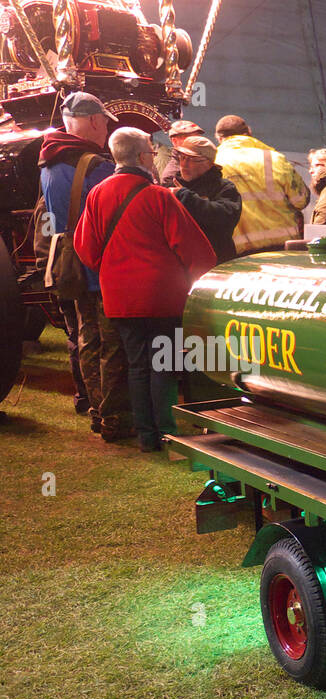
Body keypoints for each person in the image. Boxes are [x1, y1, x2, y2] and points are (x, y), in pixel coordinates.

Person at [74, 127, 217, 452]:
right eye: (152, 152)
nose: (155, 158)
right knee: (163, 365)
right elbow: (195, 251)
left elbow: (85, 248)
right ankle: (166, 432)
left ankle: (146, 437)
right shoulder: (159, 196)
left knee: (137, 366)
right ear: (141, 156)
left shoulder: (97, 194)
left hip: (119, 299)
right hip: (161, 297)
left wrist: (111, 269)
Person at [38, 91, 130, 440]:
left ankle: (96, 411)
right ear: (93, 121)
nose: (106, 127)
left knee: (87, 338)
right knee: (112, 344)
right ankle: (115, 419)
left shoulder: (48, 162)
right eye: (105, 121)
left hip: (69, 264)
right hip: (100, 266)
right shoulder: (96, 166)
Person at [212, 115, 309, 255]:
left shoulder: (214, 162)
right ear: (248, 133)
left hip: (238, 251)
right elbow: (301, 200)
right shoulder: (274, 158)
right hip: (283, 248)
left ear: (219, 138)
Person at [171, 136, 241, 264]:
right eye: (182, 157)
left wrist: (186, 197)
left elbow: (225, 217)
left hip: (215, 264)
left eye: (191, 159)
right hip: (179, 265)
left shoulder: (224, 188)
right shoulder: (171, 186)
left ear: (209, 163)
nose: (184, 164)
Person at [158, 118, 204, 187]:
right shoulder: (171, 177)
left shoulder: (203, 163)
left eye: (198, 138)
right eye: (191, 139)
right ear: (175, 141)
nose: (197, 142)